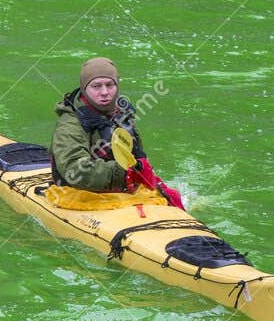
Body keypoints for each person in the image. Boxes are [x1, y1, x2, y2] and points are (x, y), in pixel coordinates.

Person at [50, 57, 182, 208]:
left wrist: (141, 170)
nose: (104, 92)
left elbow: (136, 156)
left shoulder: (122, 114)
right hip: (78, 192)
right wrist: (126, 173)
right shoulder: (70, 124)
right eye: (96, 86)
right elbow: (74, 170)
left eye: (109, 85)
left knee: (172, 197)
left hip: (121, 186)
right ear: (84, 88)